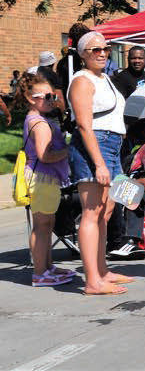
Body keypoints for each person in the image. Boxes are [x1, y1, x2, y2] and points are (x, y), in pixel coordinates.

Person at [66, 31, 133, 295]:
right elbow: (83, 124)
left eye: (105, 48)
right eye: (95, 50)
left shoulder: (104, 78)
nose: (102, 53)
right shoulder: (81, 80)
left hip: (112, 145)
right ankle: (92, 280)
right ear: (83, 54)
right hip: (96, 146)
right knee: (92, 213)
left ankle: (102, 270)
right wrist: (99, 163)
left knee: (106, 211)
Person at [16, 74, 78, 286]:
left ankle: (46, 267)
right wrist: (69, 151)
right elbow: (45, 156)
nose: (53, 100)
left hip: (44, 178)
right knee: (42, 226)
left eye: (53, 95)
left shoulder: (38, 119)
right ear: (32, 98)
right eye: (48, 96)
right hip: (42, 178)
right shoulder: (40, 124)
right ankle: (40, 272)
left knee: (46, 224)